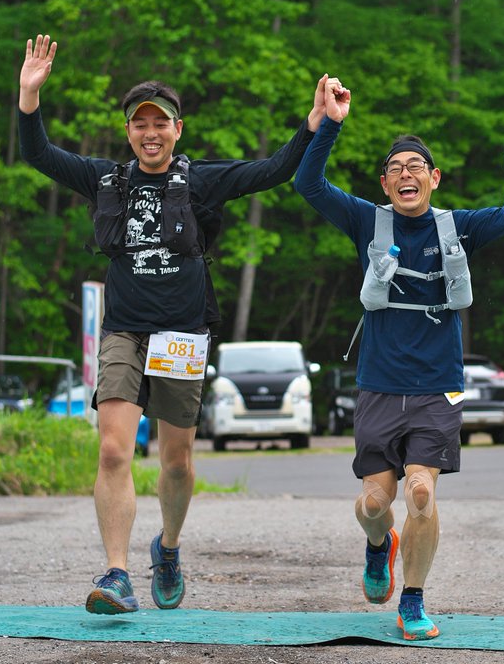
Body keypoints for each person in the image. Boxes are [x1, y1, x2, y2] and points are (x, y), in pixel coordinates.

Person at [17, 34, 330, 615]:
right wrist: (29, 99)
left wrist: (312, 124)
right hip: (125, 332)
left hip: (183, 335)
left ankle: (168, 547)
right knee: (113, 451)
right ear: (129, 131)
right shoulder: (105, 180)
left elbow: (275, 170)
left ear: (177, 130)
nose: (150, 133)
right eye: (140, 124)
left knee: (177, 460)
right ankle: (116, 574)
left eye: (161, 123)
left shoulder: (202, 181)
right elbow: (39, 156)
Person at [294, 86, 504, 640]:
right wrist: (328, 124)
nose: (406, 175)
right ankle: (379, 546)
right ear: (385, 184)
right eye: (395, 169)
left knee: (421, 491)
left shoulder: (458, 228)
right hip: (379, 386)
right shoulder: (366, 221)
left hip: (437, 387)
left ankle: (414, 599)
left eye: (416, 167)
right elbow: (308, 184)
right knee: (374, 503)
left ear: (434, 177)